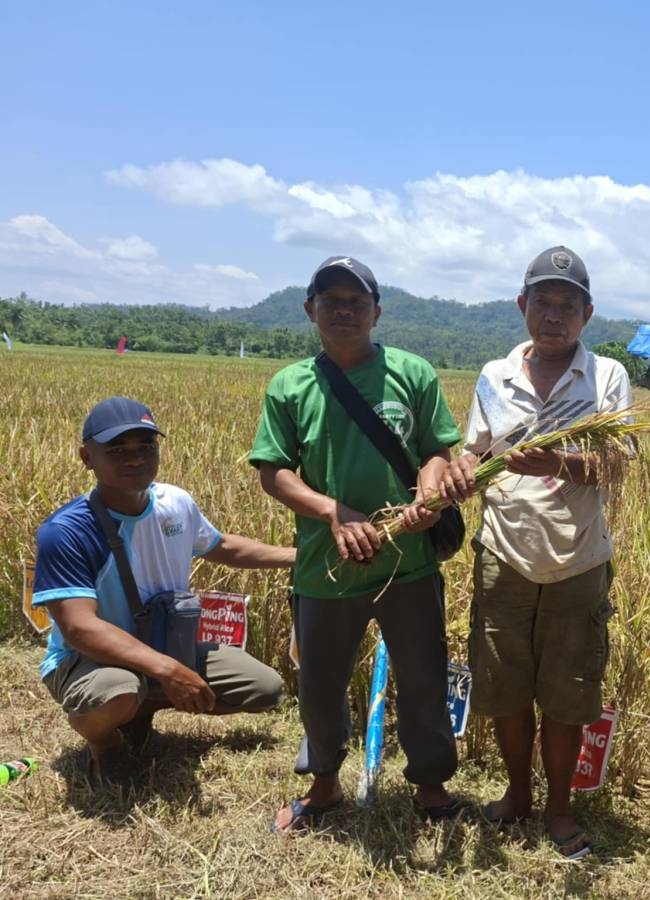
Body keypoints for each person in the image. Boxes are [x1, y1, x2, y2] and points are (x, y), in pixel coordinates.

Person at [250, 255, 464, 833]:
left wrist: (427, 494)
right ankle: (323, 787)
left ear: (377, 311)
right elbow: (273, 471)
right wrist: (332, 512)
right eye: (331, 300)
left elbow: (438, 449)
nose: (344, 310)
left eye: (356, 301)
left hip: (408, 564)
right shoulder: (291, 385)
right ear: (310, 309)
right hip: (327, 566)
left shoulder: (413, 374)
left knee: (423, 675)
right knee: (320, 682)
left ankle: (431, 786)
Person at [440, 245, 632, 860]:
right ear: (523, 306)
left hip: (577, 560)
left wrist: (560, 463)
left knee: (569, 691)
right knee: (503, 683)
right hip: (503, 553)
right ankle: (517, 794)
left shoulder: (606, 378)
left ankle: (559, 806)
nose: (555, 315)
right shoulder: (496, 376)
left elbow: (616, 466)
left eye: (568, 305)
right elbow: (472, 451)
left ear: (587, 313)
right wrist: (461, 471)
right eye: (543, 302)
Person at [33, 397, 292, 785]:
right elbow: (79, 629)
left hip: (163, 644)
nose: (134, 459)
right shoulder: (67, 531)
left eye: (145, 448)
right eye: (117, 451)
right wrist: (169, 669)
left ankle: (142, 708)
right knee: (114, 692)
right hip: (89, 659)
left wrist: (296, 557)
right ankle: (106, 743)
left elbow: (221, 546)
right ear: (86, 457)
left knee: (264, 688)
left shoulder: (175, 503)